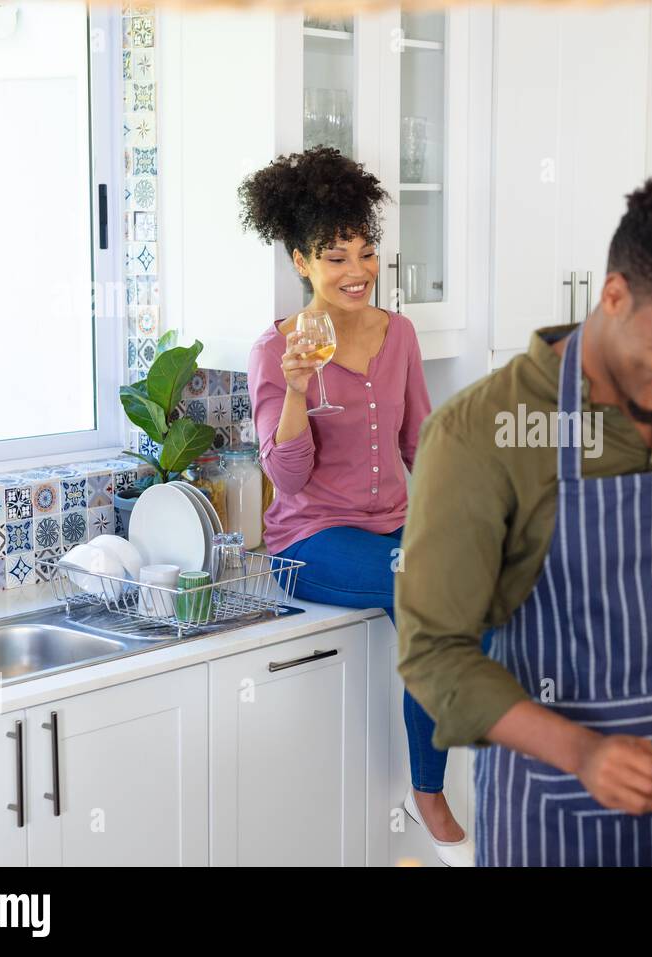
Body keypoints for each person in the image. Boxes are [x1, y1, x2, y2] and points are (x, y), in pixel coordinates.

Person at [395, 174, 652, 866]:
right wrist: (582, 751)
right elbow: (434, 650)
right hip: (551, 811)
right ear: (613, 296)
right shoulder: (480, 433)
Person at [240, 147, 472, 865]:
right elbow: (288, 476)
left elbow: (421, 441)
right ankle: (430, 792)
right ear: (301, 260)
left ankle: (460, 774)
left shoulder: (397, 333)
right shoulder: (277, 350)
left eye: (367, 253)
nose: (357, 271)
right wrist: (299, 391)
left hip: (393, 531)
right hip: (311, 540)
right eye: (336, 256)